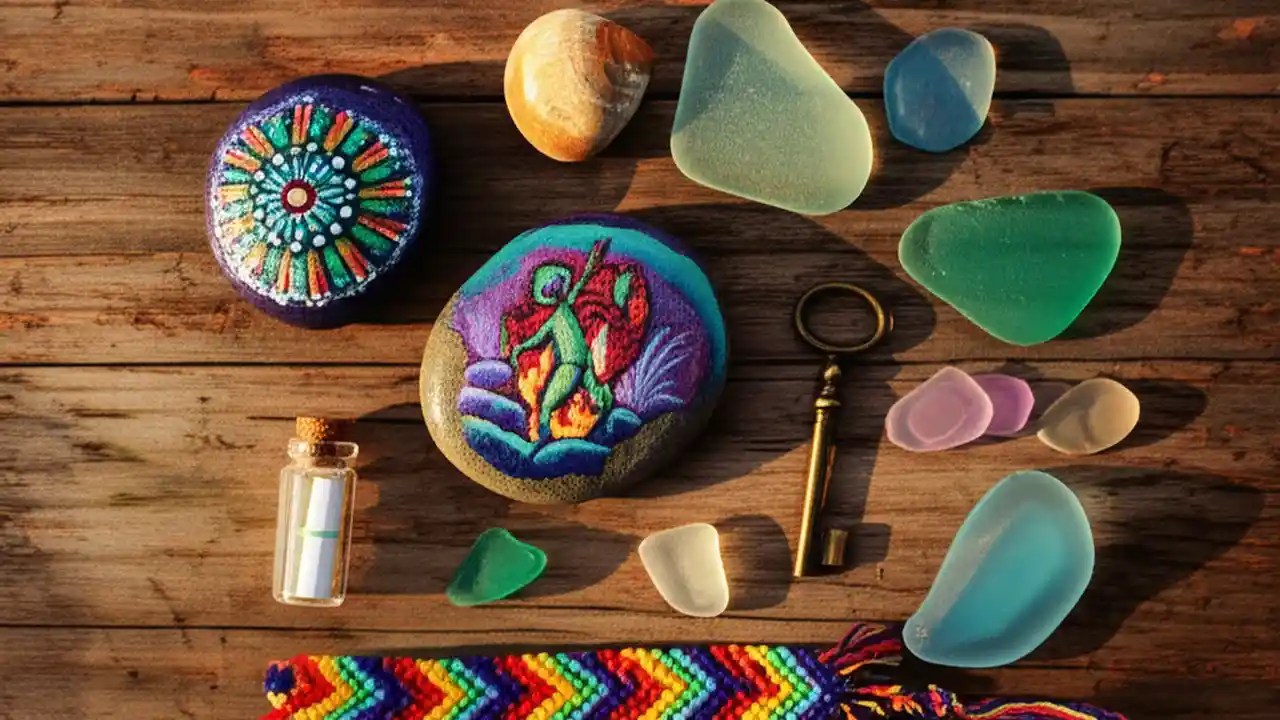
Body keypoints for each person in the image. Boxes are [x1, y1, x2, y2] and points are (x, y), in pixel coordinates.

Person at [507, 239, 615, 443]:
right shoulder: (555, 317)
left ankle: (545, 441)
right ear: (548, 294)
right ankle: (542, 440)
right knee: (548, 405)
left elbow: (581, 283)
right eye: (552, 287)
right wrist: (519, 349)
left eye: (559, 285)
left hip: (579, 366)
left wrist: (592, 263)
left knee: (556, 405)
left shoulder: (567, 306)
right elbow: (537, 339)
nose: (558, 290)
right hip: (571, 367)